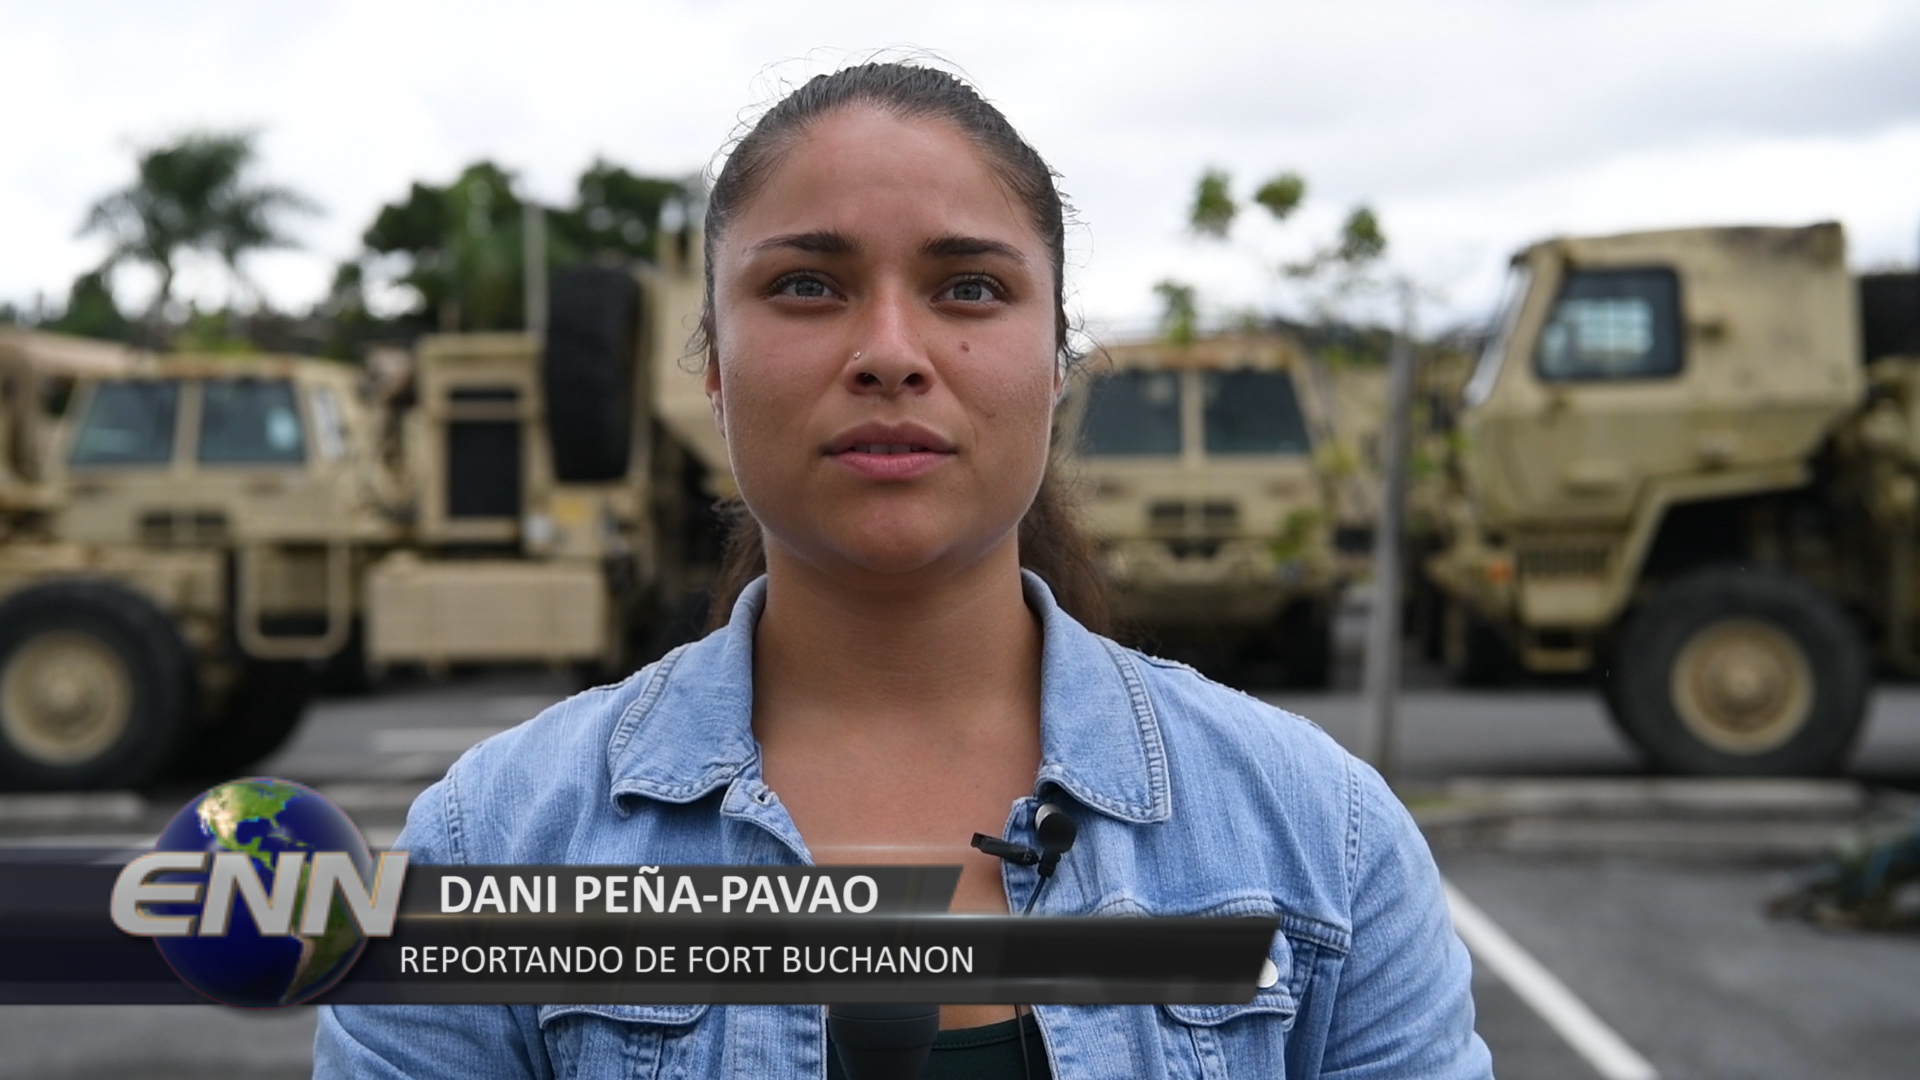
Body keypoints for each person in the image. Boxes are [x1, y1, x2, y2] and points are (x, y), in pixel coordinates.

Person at [315, 61, 1492, 1080]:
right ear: (713, 368)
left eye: (969, 287)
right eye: (807, 286)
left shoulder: (1321, 840)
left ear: (1057, 363)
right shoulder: (491, 843)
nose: (889, 353)